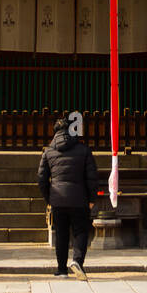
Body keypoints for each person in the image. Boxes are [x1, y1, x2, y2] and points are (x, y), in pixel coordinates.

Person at [38, 117, 99, 278]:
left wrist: (49, 199)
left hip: (57, 199)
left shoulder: (48, 151)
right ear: (71, 130)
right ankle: (77, 261)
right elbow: (91, 177)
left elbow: (41, 179)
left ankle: (61, 269)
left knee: (61, 233)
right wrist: (92, 199)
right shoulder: (84, 150)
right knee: (80, 231)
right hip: (79, 199)